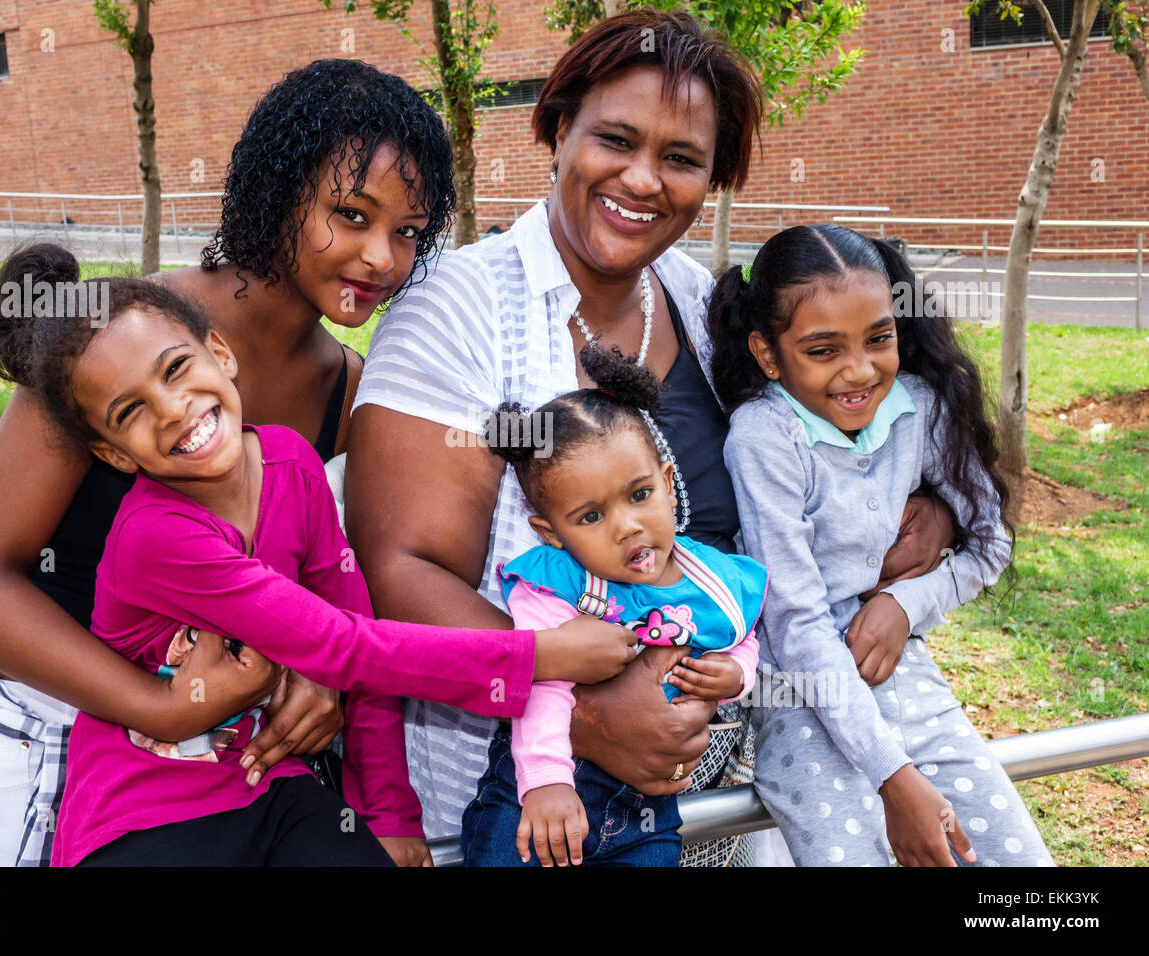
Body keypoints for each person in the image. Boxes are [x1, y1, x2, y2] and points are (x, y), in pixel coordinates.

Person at [0, 58, 629, 867]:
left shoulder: (346, 391)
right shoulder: (117, 339)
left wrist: (308, 679)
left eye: (409, 231)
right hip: (33, 729)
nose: (381, 257)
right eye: (351, 214)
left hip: (218, 778)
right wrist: (161, 705)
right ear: (277, 190)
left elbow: (319, 586)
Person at [345, 10, 956, 865]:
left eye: (680, 159)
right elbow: (401, 573)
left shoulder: (696, 300)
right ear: (559, 131)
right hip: (524, 802)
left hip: (707, 796)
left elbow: (809, 442)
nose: (642, 179)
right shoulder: (457, 307)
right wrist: (586, 712)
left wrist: (926, 506)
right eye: (615, 140)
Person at [0, 244, 635, 866]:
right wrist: (538, 655)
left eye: (176, 369)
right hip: (145, 806)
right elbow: (343, 644)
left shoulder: (293, 463)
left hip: (267, 778)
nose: (172, 410)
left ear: (219, 351)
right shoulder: (157, 536)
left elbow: (354, 637)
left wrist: (389, 812)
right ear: (114, 455)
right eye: (131, 412)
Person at [711, 224, 1053, 867]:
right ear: (767, 353)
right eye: (823, 349)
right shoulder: (763, 438)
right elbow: (796, 624)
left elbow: (989, 542)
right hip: (796, 696)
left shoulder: (921, 406)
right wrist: (895, 779)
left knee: (1016, 863)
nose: (861, 369)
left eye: (879, 337)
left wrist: (905, 603)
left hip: (905, 676)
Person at [460, 346, 768, 866]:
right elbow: (541, 683)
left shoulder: (712, 577)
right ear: (549, 533)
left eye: (640, 494)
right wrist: (547, 782)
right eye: (589, 517)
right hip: (542, 792)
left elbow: (740, 636)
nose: (626, 525)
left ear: (670, 485)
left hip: (649, 811)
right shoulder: (555, 589)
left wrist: (736, 674)